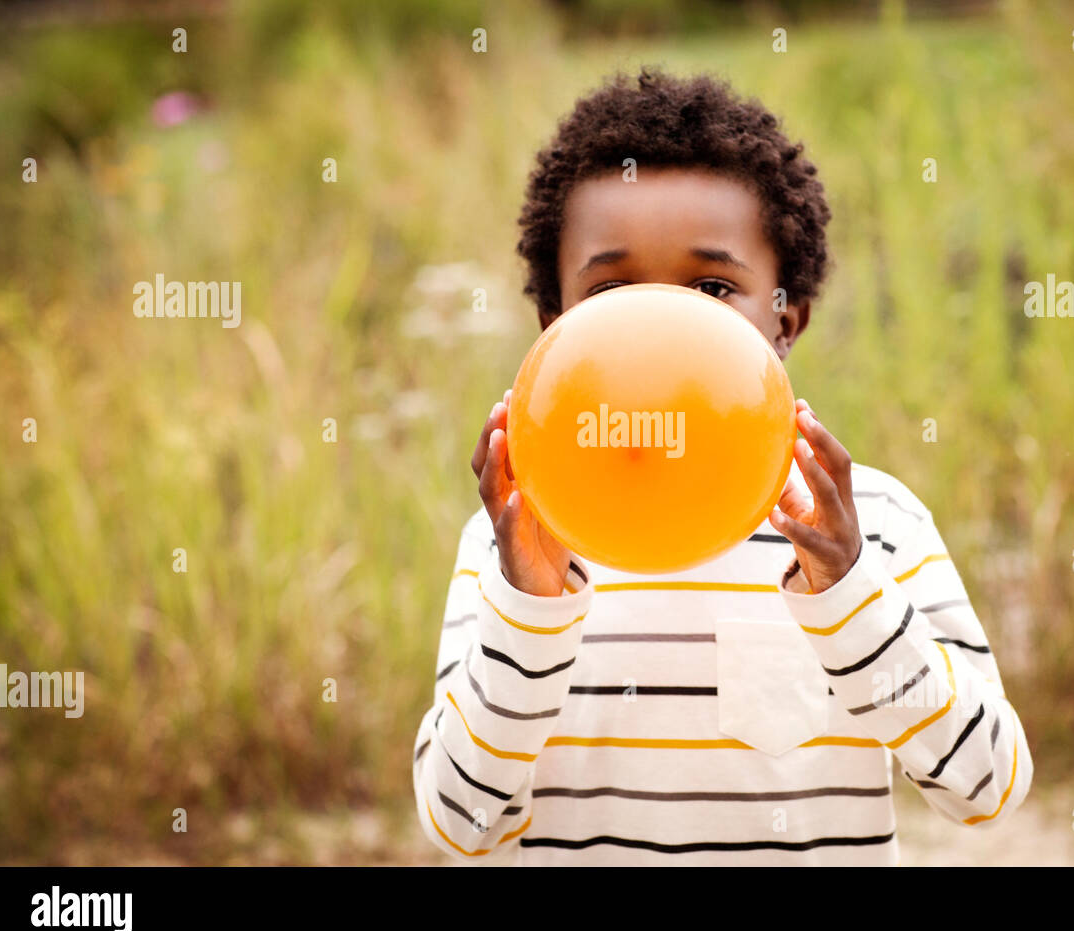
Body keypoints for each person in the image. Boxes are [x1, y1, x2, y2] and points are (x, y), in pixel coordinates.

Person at [413, 68, 1032, 864]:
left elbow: (987, 787)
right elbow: (459, 824)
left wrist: (849, 595)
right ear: (552, 325)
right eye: (613, 290)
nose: (661, 326)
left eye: (711, 286)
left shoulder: (871, 527)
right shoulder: (515, 545)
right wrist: (530, 608)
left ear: (786, 319)